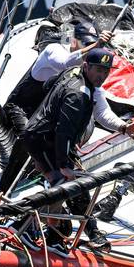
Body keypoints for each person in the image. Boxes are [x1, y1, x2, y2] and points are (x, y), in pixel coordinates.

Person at [0, 22, 134, 192]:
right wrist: (97, 45)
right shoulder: (54, 50)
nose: (91, 50)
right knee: (27, 140)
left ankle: (50, 185)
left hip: (45, 118)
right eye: (87, 45)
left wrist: (124, 127)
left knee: (58, 151)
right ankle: (4, 189)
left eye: (93, 45)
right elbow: (65, 62)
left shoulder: (86, 77)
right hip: (21, 109)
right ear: (73, 41)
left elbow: (102, 112)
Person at [16, 48, 119, 252]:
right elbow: (64, 131)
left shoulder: (73, 75)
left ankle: (52, 234)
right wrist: (63, 165)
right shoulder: (78, 95)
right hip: (43, 140)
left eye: (106, 71)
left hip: (44, 137)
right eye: (98, 70)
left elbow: (48, 84)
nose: (102, 75)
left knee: (68, 186)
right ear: (87, 66)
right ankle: (26, 225)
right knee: (61, 182)